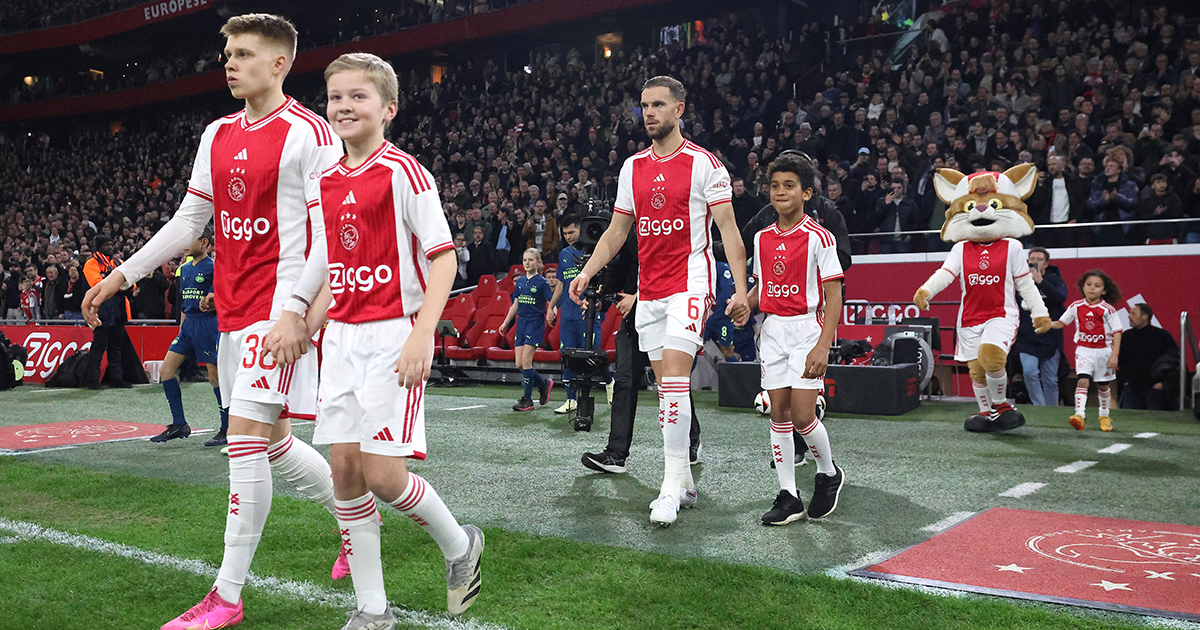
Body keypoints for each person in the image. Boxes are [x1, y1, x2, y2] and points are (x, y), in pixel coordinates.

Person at [82, 15, 348, 629]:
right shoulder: (217, 133)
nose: (229, 62)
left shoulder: (310, 133)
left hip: (278, 309)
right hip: (231, 306)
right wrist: (122, 274)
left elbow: (330, 233)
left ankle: (226, 595)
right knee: (274, 443)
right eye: (227, 53)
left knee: (246, 440)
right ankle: (354, 514)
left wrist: (298, 313)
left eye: (244, 53)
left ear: (280, 64)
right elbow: (187, 222)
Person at [294, 53, 483, 627]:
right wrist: (306, 318)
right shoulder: (325, 179)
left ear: (388, 108)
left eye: (359, 96)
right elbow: (329, 259)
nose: (345, 106)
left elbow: (444, 259)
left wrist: (422, 332)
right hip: (342, 342)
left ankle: (459, 545)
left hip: (391, 337)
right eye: (336, 97)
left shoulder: (403, 172)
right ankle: (372, 611)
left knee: (383, 477)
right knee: (346, 475)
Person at [570, 76, 750, 527]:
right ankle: (685, 481)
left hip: (691, 281)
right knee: (669, 382)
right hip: (648, 290)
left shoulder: (706, 164)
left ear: (680, 109)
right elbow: (616, 231)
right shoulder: (632, 167)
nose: (649, 113)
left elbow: (729, 231)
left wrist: (743, 290)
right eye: (644, 106)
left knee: (672, 375)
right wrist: (587, 272)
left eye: (658, 105)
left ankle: (670, 488)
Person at [751, 153, 845, 525]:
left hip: (808, 329)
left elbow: (834, 295)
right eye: (774, 186)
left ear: (806, 193)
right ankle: (789, 495)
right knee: (779, 413)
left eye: (789, 185)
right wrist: (744, 302)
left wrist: (824, 344)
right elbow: (763, 287)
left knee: (804, 415)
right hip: (772, 330)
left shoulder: (820, 237)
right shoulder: (761, 238)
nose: (779, 192)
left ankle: (828, 473)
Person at [580, 230, 704, 474]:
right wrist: (602, 301)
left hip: (669, 314)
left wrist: (638, 297)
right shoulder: (627, 232)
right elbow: (619, 272)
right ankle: (615, 455)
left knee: (671, 381)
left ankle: (691, 440)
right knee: (624, 381)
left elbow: (678, 270)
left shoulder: (671, 227)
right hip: (635, 320)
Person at [148, 229, 228, 447]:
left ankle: (227, 427)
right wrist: (183, 329)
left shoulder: (213, 268)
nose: (184, 245)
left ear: (204, 243)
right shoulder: (183, 270)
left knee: (215, 377)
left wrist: (211, 303)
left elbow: (222, 297)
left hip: (209, 325)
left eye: (189, 240)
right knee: (166, 371)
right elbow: (184, 301)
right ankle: (179, 424)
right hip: (188, 327)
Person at [547, 215, 612, 415]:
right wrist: (552, 306)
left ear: (581, 230)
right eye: (565, 233)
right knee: (567, 355)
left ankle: (609, 382)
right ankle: (571, 399)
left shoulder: (594, 253)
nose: (568, 236)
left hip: (588, 312)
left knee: (592, 354)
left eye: (572, 232)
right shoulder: (564, 254)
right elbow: (560, 284)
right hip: (567, 314)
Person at [1053, 270, 1123, 432]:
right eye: (1089, 285)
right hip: (1084, 350)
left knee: (1103, 386)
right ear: (1083, 287)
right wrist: (1046, 324)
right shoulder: (1076, 306)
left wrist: (1114, 354)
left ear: (1104, 291)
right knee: (1082, 380)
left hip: (1104, 351)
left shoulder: (1107, 309)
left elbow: (1117, 332)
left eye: (1097, 286)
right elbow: (1061, 323)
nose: (1092, 289)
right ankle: (1079, 416)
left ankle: (1104, 416)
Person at [499, 248, 554, 411]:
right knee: (519, 363)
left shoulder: (542, 283)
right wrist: (506, 322)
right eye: (525, 260)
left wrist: (552, 313)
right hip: (521, 322)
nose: (527, 263)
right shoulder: (521, 282)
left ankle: (527, 399)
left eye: (530, 260)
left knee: (526, 361)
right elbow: (516, 304)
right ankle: (544, 384)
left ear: (537, 261)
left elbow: (551, 302)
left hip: (535, 322)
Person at [1011, 247, 1067, 406]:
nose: (1034, 262)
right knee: (1029, 373)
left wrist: (1040, 281)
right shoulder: (1019, 279)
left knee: (1050, 378)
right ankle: (1039, 407)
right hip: (1026, 337)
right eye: (1032, 259)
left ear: (1046, 263)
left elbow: (1060, 297)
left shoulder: (1055, 279)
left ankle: (1052, 410)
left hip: (1050, 337)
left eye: (1039, 259)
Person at [83, 235, 132, 390]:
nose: (111, 247)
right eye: (107, 245)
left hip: (119, 310)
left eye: (112, 244)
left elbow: (131, 284)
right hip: (101, 310)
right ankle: (93, 380)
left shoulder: (119, 262)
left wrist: (113, 284)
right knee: (98, 347)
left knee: (116, 347)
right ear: (99, 247)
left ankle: (116, 379)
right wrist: (119, 284)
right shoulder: (91, 264)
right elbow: (98, 285)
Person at [1118, 303, 1176, 411]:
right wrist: (1126, 381)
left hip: (1155, 389)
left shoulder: (1162, 336)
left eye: (1133, 313)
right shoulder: (1127, 336)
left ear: (1145, 316)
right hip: (1132, 388)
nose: (1129, 316)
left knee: (1155, 420)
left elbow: (1174, 361)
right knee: (1129, 418)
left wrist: (1164, 384)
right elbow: (1121, 360)